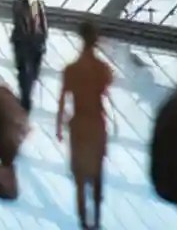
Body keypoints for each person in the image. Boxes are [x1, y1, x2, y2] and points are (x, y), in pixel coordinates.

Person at [56, 21, 113, 230]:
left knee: (80, 176)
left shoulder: (70, 69)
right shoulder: (103, 69)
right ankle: (96, 219)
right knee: (97, 173)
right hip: (96, 124)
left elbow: (63, 99)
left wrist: (59, 126)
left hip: (78, 124)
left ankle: (83, 222)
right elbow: (107, 88)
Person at [10, 0, 48, 111]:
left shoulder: (37, 3)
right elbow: (17, 17)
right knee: (24, 71)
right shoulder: (18, 3)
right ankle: (25, 98)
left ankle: (27, 93)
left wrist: (43, 39)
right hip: (23, 42)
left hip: (36, 42)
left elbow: (42, 23)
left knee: (33, 72)